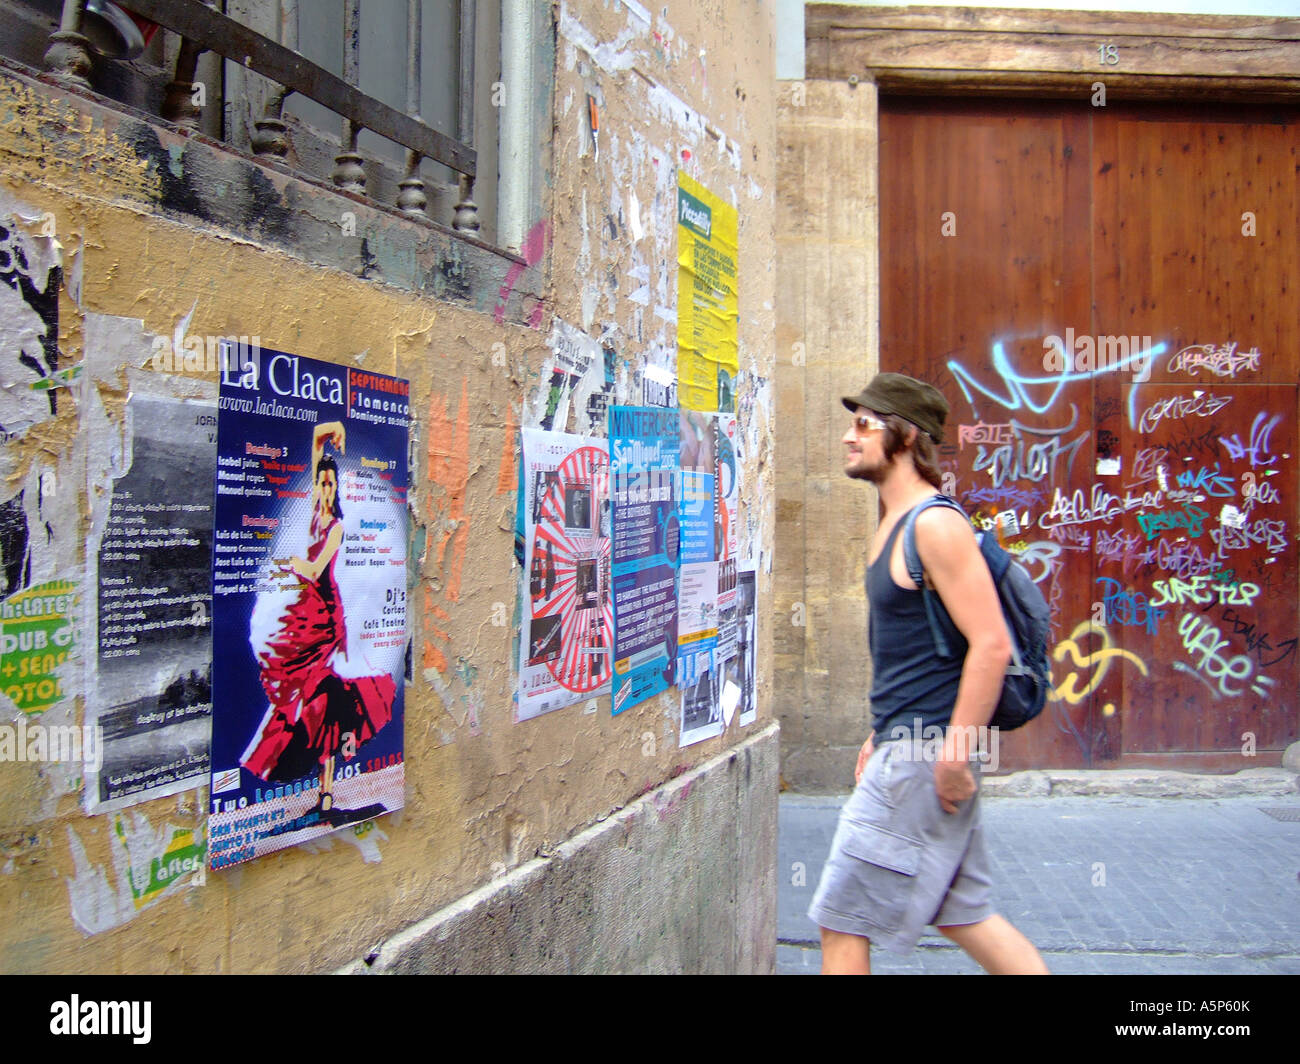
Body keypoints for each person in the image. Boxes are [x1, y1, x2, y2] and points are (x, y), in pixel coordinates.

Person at [808, 372, 1048, 975]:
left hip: (925, 758)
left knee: (841, 922)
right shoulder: (894, 523)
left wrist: (953, 756)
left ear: (906, 436)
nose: (848, 436)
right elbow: (914, 651)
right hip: (910, 746)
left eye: (864, 424)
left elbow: (990, 645)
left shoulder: (935, 526)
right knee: (965, 915)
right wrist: (880, 732)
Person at [241, 419, 396, 819]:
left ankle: (325, 794)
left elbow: (314, 571)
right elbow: (314, 441)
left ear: (337, 489)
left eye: (330, 484)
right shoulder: (313, 510)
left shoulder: (336, 528)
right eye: (322, 482)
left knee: (320, 696)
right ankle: (319, 791)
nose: (325, 489)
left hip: (324, 618)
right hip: (302, 615)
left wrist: (293, 562)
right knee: (301, 697)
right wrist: (333, 428)